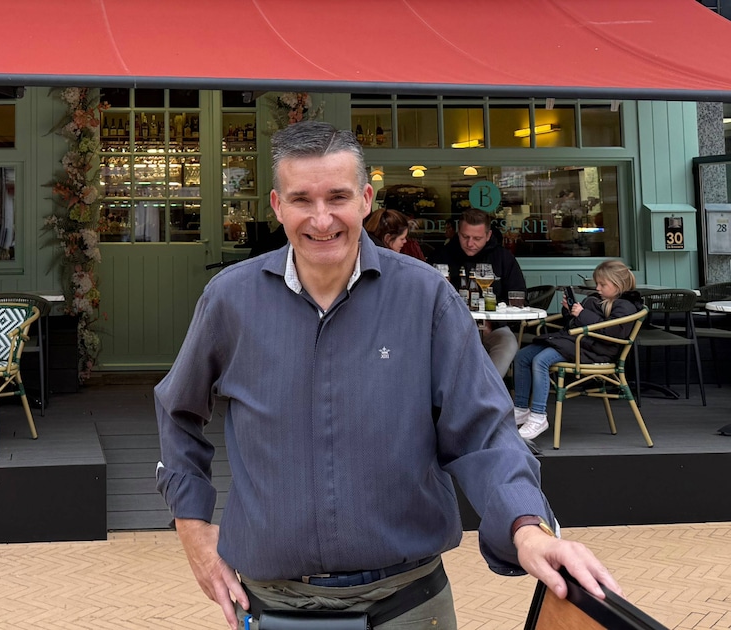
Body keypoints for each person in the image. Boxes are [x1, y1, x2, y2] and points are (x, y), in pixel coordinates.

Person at [155, 121, 621, 630]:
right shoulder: (231, 300)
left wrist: (527, 528)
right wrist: (193, 531)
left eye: (338, 196)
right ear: (276, 206)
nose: (321, 218)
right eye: (301, 200)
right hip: (271, 608)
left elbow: (484, 432)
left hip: (411, 606)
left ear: (365, 200)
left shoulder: (425, 298)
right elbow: (178, 412)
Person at [514, 260, 642, 440]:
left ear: (618, 284)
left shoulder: (625, 306)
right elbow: (577, 324)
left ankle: (538, 415)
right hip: (577, 343)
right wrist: (569, 311)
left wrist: (582, 313)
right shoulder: (600, 300)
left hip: (596, 350)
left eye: (602, 284)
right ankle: (520, 409)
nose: (597, 288)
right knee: (522, 356)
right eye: (597, 283)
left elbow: (611, 332)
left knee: (540, 360)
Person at [429, 207, 527, 376]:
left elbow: (517, 296)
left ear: (488, 236)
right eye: (465, 237)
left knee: (508, 343)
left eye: (477, 238)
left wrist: (492, 322)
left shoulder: (503, 258)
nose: (470, 243)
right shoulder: (442, 257)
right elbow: (428, 297)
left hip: (492, 328)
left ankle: (486, 393)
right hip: (450, 328)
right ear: (458, 233)